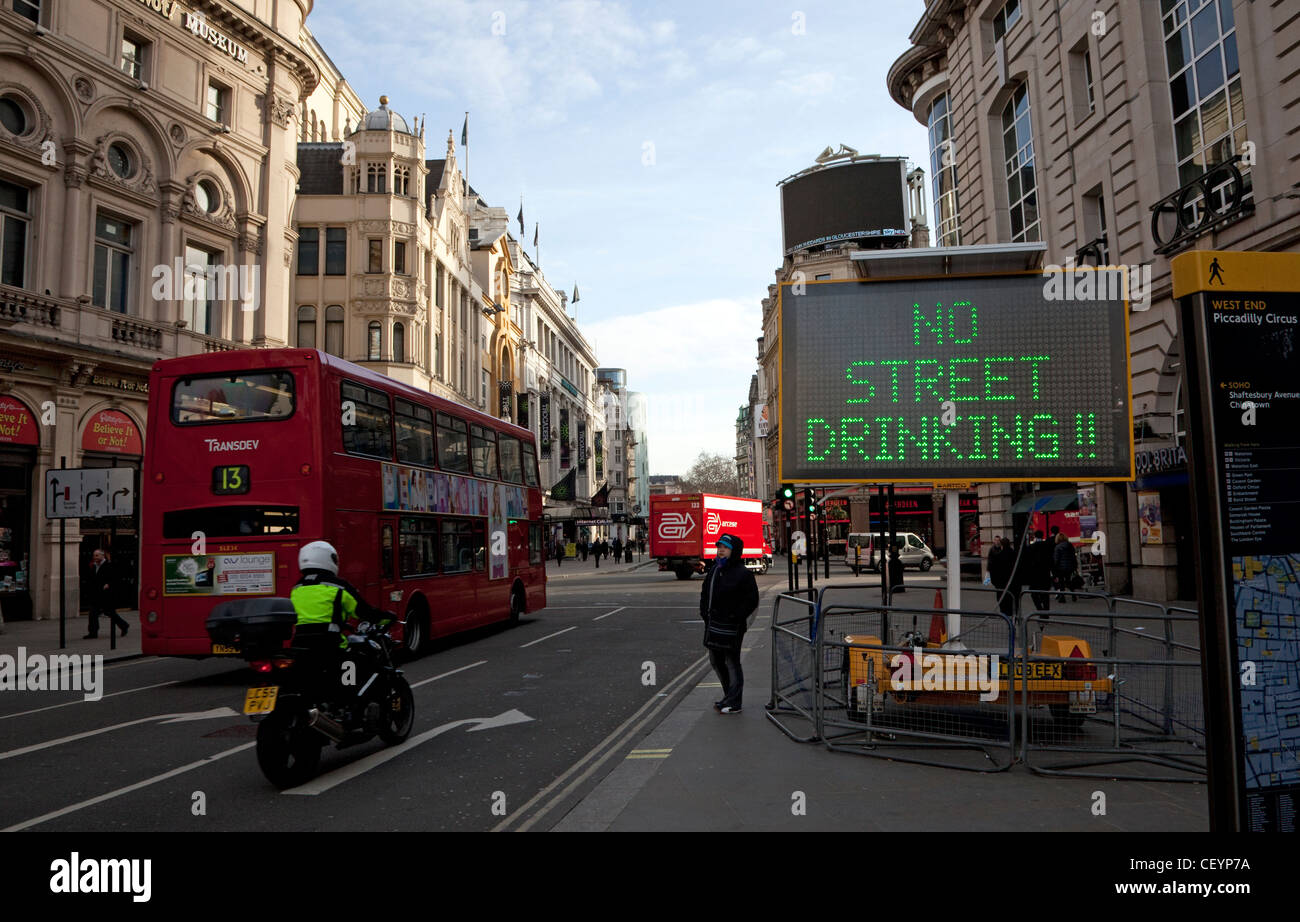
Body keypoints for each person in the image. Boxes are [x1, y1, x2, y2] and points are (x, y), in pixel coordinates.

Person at [290, 540, 386, 697]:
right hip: (330, 645)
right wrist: (385, 617)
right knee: (354, 662)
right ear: (329, 559)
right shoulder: (339, 587)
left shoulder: (297, 588)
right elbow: (362, 611)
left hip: (299, 646)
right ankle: (349, 699)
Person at [699, 533, 759, 714]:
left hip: (732, 628)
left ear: (734, 551)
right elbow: (705, 594)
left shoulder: (744, 574)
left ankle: (735, 702)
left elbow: (751, 600)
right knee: (715, 661)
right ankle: (728, 696)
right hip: (713, 625)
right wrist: (705, 614)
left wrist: (735, 617)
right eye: (719, 547)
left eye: (725, 547)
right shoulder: (715, 570)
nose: (721, 550)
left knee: (732, 662)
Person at [84, 548, 129, 639]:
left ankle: (124, 625)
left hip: (106, 595)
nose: (95, 557)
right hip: (96, 594)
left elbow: (116, 578)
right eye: (94, 555)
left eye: (97, 555)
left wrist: (109, 584)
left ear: (102, 556)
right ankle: (93, 632)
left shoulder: (109, 565)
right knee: (92, 613)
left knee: (110, 613)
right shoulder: (94, 566)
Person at [988, 536, 1015, 618]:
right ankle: (1011, 613)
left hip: (1000, 582)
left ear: (1002, 545)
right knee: (1010, 597)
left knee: (1001, 597)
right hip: (1011, 581)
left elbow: (993, 569)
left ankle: (1004, 613)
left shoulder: (998, 556)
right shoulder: (1014, 554)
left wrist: (994, 581)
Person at [1028, 530, 1054, 612]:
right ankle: (1046, 613)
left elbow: (1028, 561)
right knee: (1045, 595)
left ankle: (1040, 609)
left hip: (1035, 574)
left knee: (1034, 593)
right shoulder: (1047, 545)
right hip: (1045, 573)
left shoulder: (1031, 547)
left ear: (1035, 536)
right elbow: (1051, 560)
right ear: (1043, 536)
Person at [1053, 533, 1078, 602]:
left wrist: (1055, 567)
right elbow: (1073, 556)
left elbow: (1056, 559)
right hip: (1070, 566)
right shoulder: (1070, 545)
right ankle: (1073, 594)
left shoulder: (1057, 547)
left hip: (1061, 567)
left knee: (1061, 582)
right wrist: (1075, 566)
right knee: (1068, 581)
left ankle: (1062, 597)